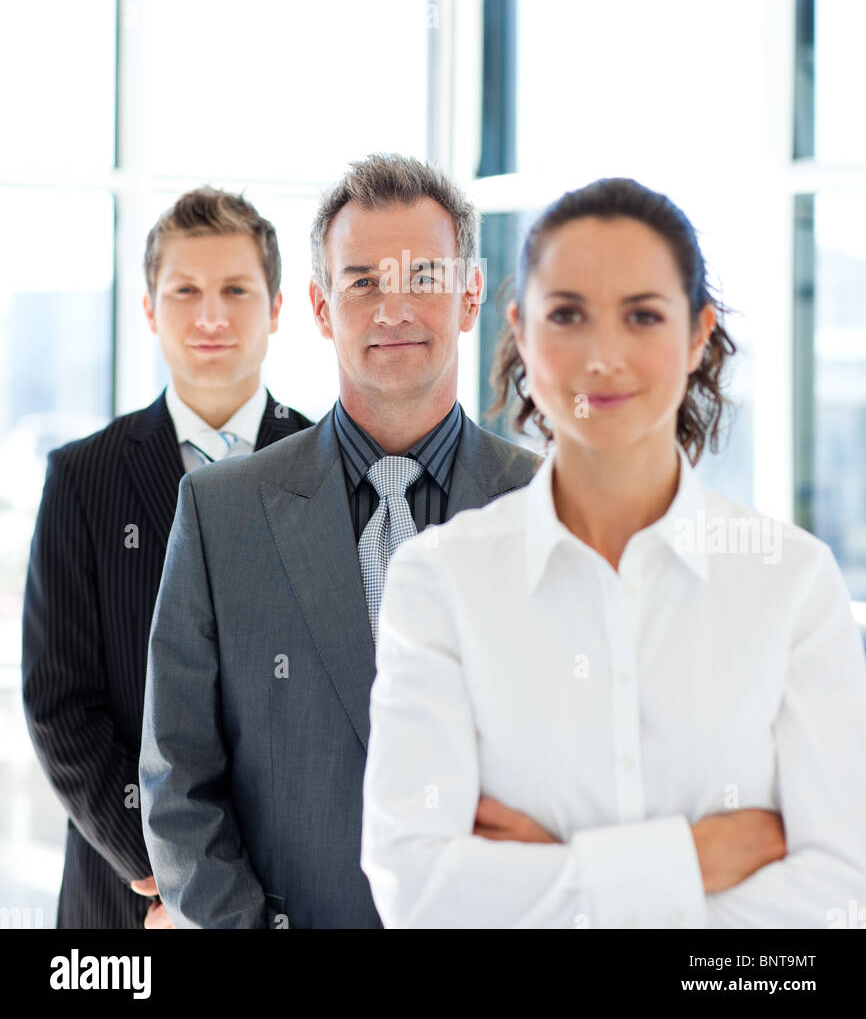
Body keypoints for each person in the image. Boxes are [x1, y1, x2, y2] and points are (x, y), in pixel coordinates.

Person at [361, 176, 866, 928]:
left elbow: (837, 902)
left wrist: (557, 874)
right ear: (522, 334)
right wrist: (691, 864)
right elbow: (418, 893)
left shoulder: (790, 585)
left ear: (699, 334)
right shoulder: (442, 582)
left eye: (642, 316)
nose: (603, 356)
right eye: (567, 315)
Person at [138, 153, 540, 929]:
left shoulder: (547, 510)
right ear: (322, 308)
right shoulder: (222, 513)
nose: (394, 310)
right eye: (363, 282)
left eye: (424, 277)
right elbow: (177, 781)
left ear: (470, 295)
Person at [22, 187, 311, 929]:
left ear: (277, 308)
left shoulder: (331, 470)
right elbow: (60, 699)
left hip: (291, 887)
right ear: (150, 309)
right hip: (125, 894)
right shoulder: (83, 478)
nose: (210, 315)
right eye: (184, 291)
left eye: (236, 291)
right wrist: (166, 874)